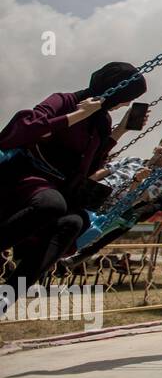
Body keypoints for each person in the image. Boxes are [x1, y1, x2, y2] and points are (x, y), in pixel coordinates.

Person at [0, 62, 147, 294]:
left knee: (74, 223)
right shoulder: (65, 100)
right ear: (113, 90)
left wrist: (120, 131)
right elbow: (26, 127)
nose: (127, 103)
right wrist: (78, 115)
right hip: (28, 177)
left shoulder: (102, 122)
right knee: (51, 205)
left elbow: (89, 167)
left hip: (61, 187)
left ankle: (7, 297)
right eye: (127, 96)